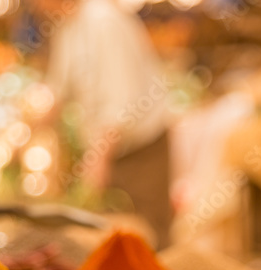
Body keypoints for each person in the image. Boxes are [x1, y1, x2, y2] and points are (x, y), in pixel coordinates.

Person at [32, 0, 173, 246]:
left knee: (148, 240)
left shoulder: (103, 21)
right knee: (115, 241)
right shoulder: (67, 26)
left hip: (141, 152)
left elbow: (120, 103)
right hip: (110, 151)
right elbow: (59, 87)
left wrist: (98, 158)